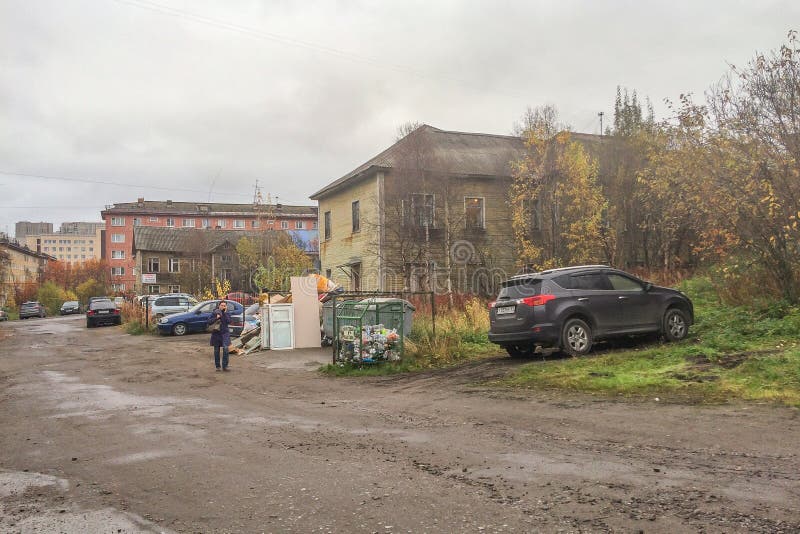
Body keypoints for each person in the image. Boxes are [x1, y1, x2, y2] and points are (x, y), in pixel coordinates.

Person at [208, 300, 232, 371]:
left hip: (225, 333)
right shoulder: (214, 312)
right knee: (216, 350)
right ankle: (218, 366)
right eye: (222, 305)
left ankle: (225, 366)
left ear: (226, 306)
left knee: (225, 349)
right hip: (216, 334)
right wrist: (217, 317)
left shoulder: (227, 313)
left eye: (224, 305)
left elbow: (229, 321)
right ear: (219, 306)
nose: (223, 307)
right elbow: (209, 322)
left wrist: (224, 314)